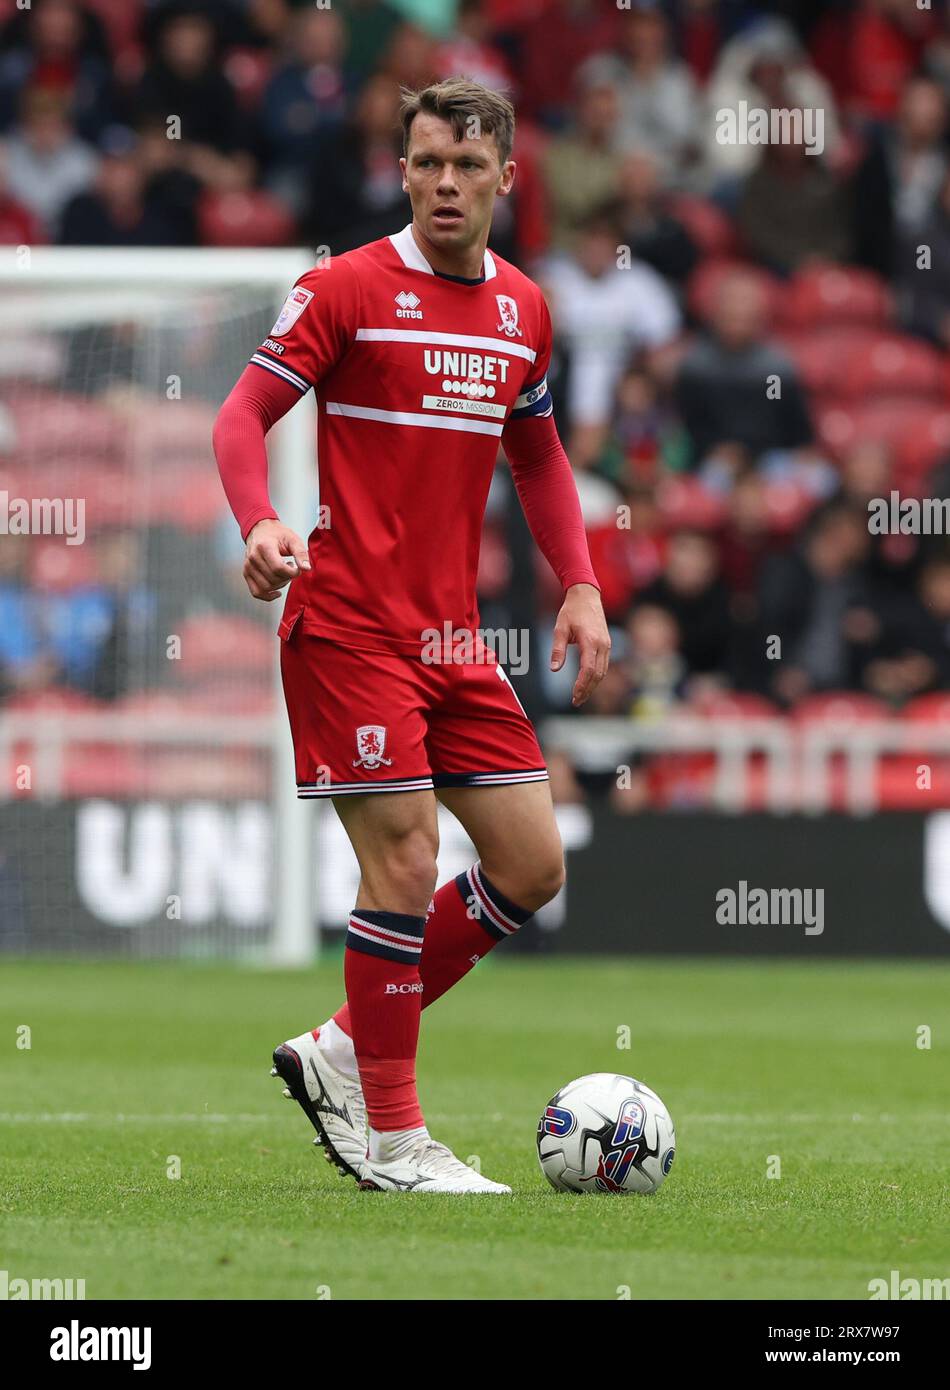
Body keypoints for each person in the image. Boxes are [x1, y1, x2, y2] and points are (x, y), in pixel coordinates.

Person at [213, 77, 609, 1194]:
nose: (446, 184)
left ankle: (342, 1043)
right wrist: (258, 523)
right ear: (402, 170)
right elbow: (239, 417)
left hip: (452, 642)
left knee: (531, 864)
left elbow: (534, 455)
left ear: (505, 179)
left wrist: (576, 583)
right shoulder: (344, 288)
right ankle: (392, 1138)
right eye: (428, 162)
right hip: (346, 625)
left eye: (468, 167)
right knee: (402, 857)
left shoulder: (522, 310)